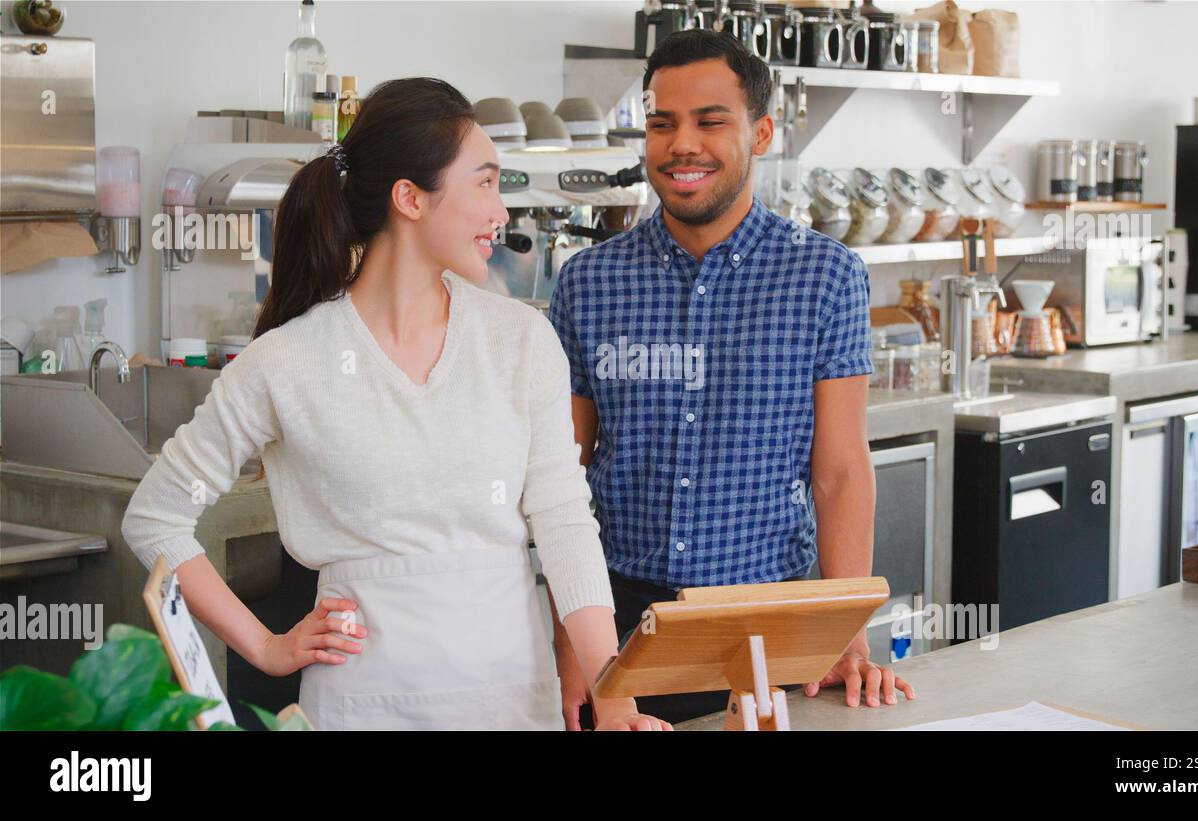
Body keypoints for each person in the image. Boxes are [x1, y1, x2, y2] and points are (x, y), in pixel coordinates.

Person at [121, 77, 670, 731]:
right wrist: (267, 647)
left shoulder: (521, 340)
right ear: (410, 197)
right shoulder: (286, 362)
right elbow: (154, 518)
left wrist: (614, 694)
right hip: (362, 704)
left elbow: (564, 524)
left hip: (513, 698)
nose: (502, 212)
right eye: (484, 183)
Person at [546, 31, 916, 727]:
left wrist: (838, 632)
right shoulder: (588, 282)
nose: (682, 144)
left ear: (763, 132)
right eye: (662, 123)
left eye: (711, 121)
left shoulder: (826, 277)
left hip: (772, 622)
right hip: (621, 624)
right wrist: (574, 639)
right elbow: (562, 481)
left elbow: (838, 471)